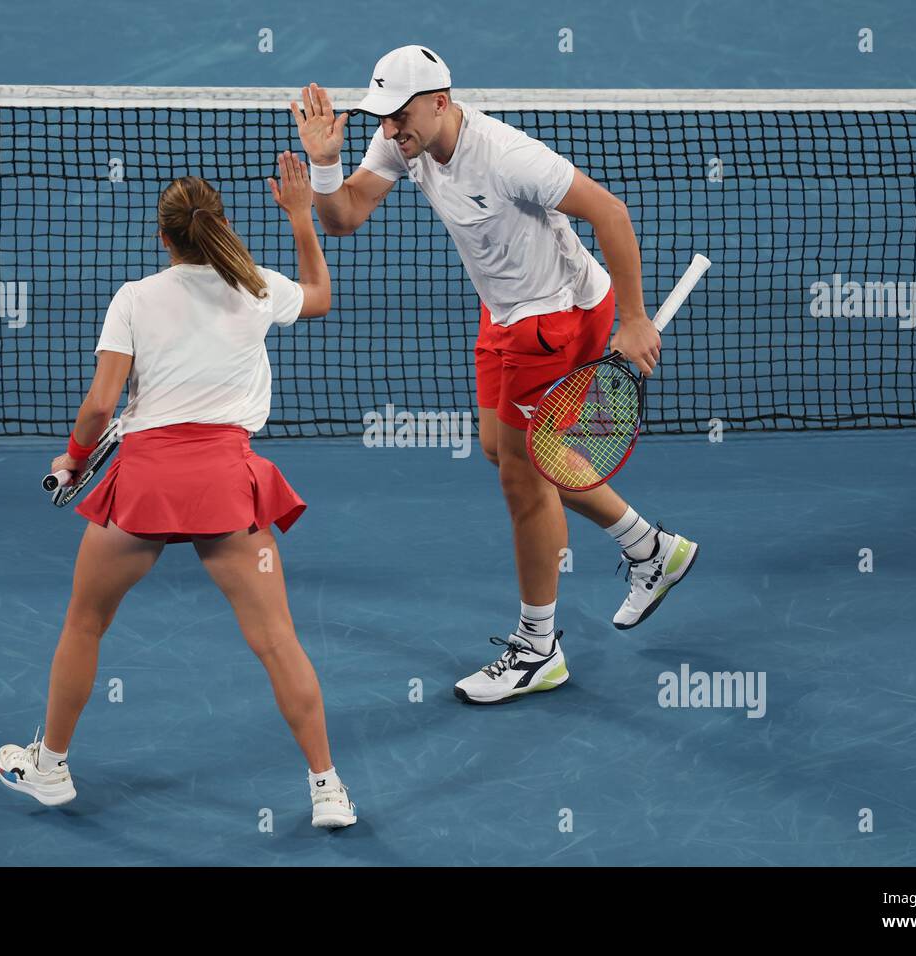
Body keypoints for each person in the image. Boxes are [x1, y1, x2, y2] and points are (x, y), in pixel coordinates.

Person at [292, 46, 699, 704]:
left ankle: (538, 649)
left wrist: (634, 319)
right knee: (500, 449)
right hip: (506, 312)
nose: (391, 129)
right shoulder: (403, 139)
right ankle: (650, 547)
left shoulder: (510, 157)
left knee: (523, 477)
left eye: (400, 116)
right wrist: (324, 161)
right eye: (384, 118)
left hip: (556, 317)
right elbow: (344, 219)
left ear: (440, 103)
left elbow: (612, 214)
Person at [0, 152, 357, 828]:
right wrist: (303, 219)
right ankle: (327, 788)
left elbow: (101, 408)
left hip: (145, 487)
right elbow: (320, 296)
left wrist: (74, 461)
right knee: (278, 638)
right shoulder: (255, 288)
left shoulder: (134, 298)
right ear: (219, 226)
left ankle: (49, 766)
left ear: (164, 237)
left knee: (84, 623)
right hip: (227, 485)